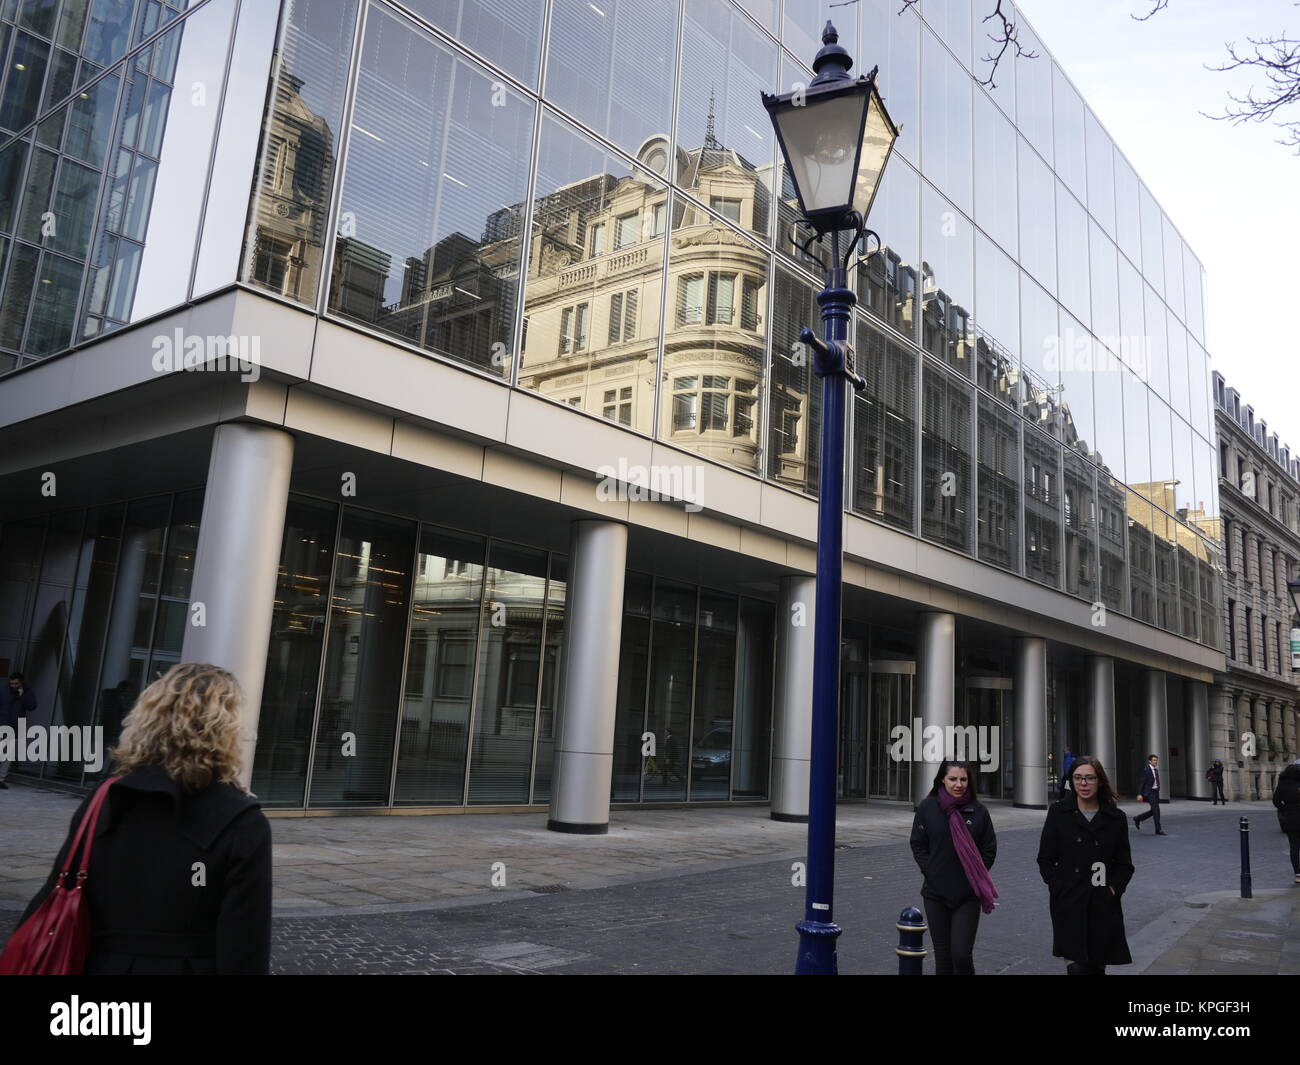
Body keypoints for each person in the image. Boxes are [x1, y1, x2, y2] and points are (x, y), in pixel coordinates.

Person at [10, 663, 271, 973]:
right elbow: (244, 949)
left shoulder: (105, 799)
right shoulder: (242, 821)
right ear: (228, 730)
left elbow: (54, 890)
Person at [1037, 756, 1134, 974]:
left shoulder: (1115, 818)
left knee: (1097, 968)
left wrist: (1113, 890)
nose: (1083, 783)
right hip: (1069, 903)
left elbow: (1124, 865)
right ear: (1071, 781)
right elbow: (1045, 859)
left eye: (1089, 778)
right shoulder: (1058, 813)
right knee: (1077, 968)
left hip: (1102, 905)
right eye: (1078, 778)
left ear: (1099, 781)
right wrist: (1058, 888)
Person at [909, 760, 997, 975]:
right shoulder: (928, 807)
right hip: (935, 893)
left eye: (963, 779)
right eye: (953, 779)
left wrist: (974, 874)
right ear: (942, 779)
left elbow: (989, 849)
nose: (959, 784)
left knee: (961, 954)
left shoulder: (978, 811)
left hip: (967, 894)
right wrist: (930, 870)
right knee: (943, 956)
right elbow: (918, 843)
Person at [0, 672, 37, 789]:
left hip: (16, 728)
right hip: (2, 725)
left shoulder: (27, 691)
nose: (13, 685)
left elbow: (32, 706)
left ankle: (1, 779)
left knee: (8, 755)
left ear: (21, 682)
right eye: (11, 683)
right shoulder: (3, 690)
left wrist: (22, 696)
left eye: (16, 683)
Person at [1272, 758, 1300, 886]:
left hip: (1290, 819)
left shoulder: (1282, 785)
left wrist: (1285, 809)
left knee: (1294, 847)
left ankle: (1297, 874)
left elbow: (1276, 801)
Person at [1133, 753, 1166, 834]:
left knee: (1153, 811)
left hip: (1155, 792)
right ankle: (1158, 830)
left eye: (1156, 760)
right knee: (1156, 810)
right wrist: (1139, 794)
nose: (1156, 762)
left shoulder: (1156, 770)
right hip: (1150, 792)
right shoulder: (1146, 770)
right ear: (1149, 761)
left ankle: (1138, 818)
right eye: (1154, 760)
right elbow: (1141, 783)